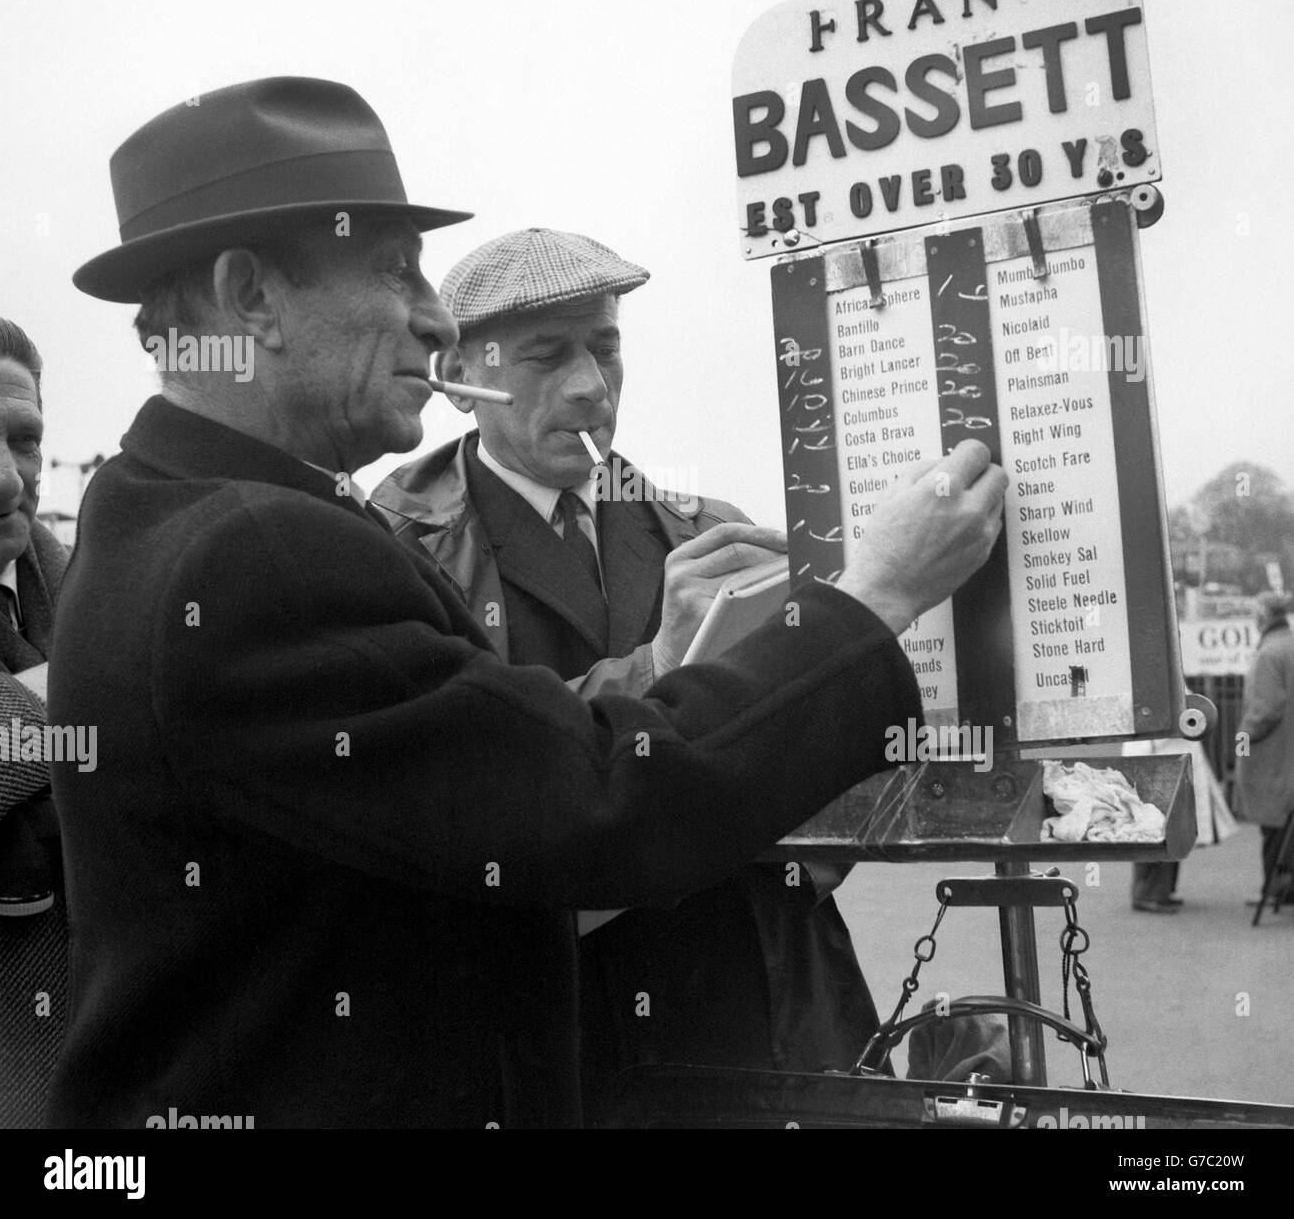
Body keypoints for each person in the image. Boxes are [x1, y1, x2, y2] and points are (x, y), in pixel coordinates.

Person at [49, 76, 1006, 1128]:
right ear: (249, 299)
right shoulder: (254, 552)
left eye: (605, 347)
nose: (428, 315)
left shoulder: (168, 508)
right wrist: (875, 595)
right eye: (391, 271)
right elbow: (586, 801)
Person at [372, 227, 884, 1121]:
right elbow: (475, 767)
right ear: (459, 379)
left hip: (745, 1004)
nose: (589, 387)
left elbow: (824, 795)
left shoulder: (710, 531)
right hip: (550, 1029)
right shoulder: (391, 549)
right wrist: (661, 664)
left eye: (605, 348)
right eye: (546, 356)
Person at [0, 318, 71, 1127]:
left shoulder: (88, 583)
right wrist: (92, 686)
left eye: (25, 439)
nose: (6, 480)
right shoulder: (119, 619)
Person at [1236, 591, 1294, 902]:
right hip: (1289, 755)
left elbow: (1264, 710)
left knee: (1274, 825)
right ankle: (1285, 890)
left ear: (1261, 618)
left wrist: (1241, 741)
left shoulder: (1269, 653)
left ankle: (1275, 890)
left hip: (1272, 758)